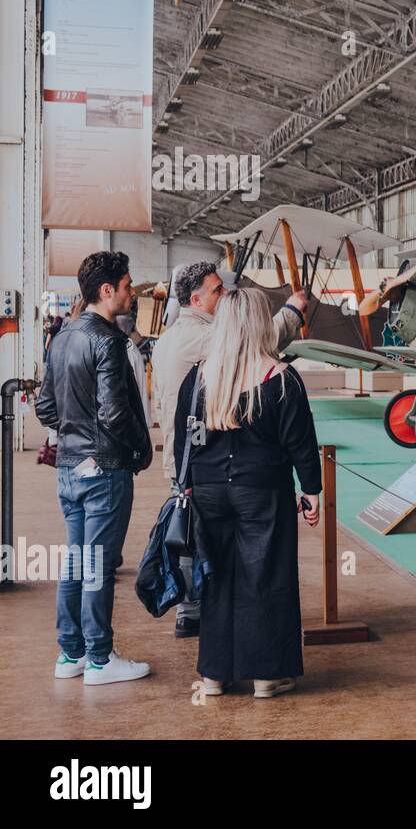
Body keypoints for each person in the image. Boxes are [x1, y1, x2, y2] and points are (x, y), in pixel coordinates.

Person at [175, 287, 321, 698]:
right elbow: (300, 444)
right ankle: (266, 675)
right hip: (263, 491)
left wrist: (186, 482)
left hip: (208, 491)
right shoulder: (279, 377)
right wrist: (312, 491)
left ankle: (215, 675)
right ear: (260, 323)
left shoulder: (201, 375)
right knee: (267, 577)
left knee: (216, 578)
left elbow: (185, 436)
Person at [151, 261, 306, 637]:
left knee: (190, 530)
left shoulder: (168, 338)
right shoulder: (207, 338)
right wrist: (292, 311)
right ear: (196, 299)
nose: (225, 296)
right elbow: (259, 341)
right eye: (218, 290)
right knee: (199, 535)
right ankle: (195, 610)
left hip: (184, 454)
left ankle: (192, 608)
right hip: (204, 460)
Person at [35, 251, 153, 685]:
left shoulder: (62, 336)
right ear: (108, 291)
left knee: (76, 561)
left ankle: (71, 655)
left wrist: (73, 430)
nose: (129, 293)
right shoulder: (108, 340)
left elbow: (46, 405)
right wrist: (142, 447)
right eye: (126, 285)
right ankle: (101, 659)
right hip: (103, 468)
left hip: (70, 468)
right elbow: (114, 413)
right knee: (97, 564)